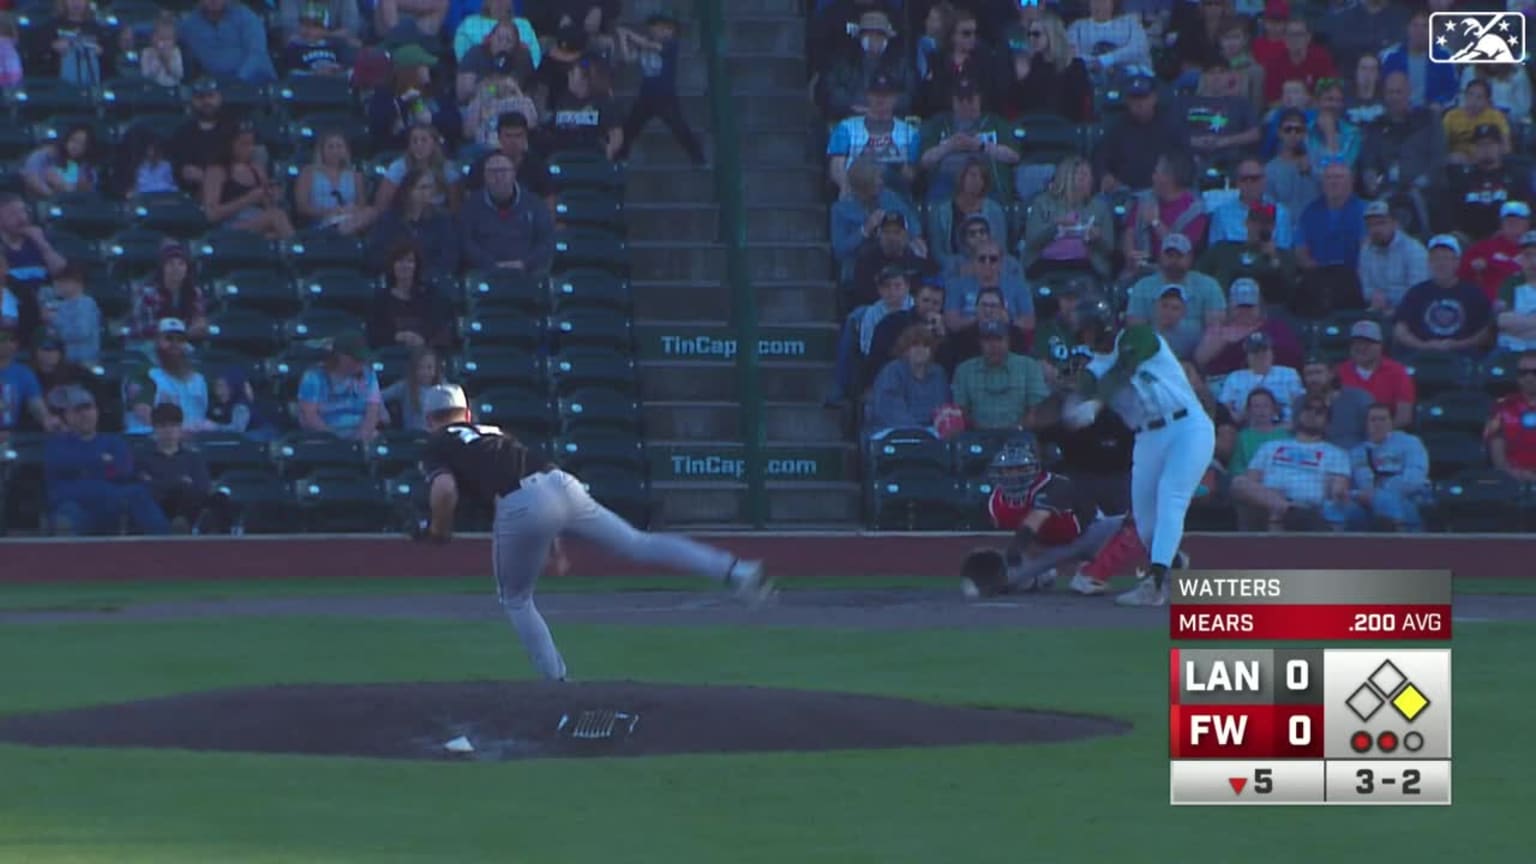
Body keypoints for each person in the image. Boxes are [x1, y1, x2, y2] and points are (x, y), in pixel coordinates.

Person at [412, 383, 771, 681]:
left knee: (516, 599)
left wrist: (439, 531)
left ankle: (557, 683)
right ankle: (736, 570)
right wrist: (553, 542)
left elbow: (444, 491)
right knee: (638, 543)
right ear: (467, 413)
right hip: (561, 484)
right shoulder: (490, 431)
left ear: (430, 420)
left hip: (524, 503)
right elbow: (520, 477)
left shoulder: (436, 443)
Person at [1062, 307, 1215, 606]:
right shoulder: (1094, 368)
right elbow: (1085, 386)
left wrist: (1094, 404)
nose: (1087, 336)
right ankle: (1168, 567)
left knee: (1172, 496)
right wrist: (1073, 404)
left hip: (1188, 427)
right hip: (1148, 437)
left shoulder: (1138, 336)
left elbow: (1122, 370)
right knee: (1145, 520)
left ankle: (1156, 584)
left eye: (1089, 329)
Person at [961, 441, 1133, 598]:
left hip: (1092, 535)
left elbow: (1034, 521)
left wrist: (1015, 550)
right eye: (1009, 470)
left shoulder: (1055, 485)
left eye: (1020, 469)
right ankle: (1042, 577)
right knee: (1004, 583)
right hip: (1049, 548)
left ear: (1034, 469)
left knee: (1137, 524)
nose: (1014, 475)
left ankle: (1093, 575)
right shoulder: (996, 502)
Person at [44, 387, 169, 536]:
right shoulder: (58, 444)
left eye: (88, 408)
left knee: (137, 493)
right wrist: (101, 461)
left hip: (109, 503)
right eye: (78, 410)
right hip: (75, 503)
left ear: (96, 411)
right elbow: (59, 466)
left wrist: (84, 467)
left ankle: (167, 545)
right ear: (68, 416)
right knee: (67, 515)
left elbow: (124, 471)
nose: (85, 414)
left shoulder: (113, 442)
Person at [1231, 395, 1354, 532]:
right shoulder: (1271, 446)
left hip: (1309, 508)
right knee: (1239, 482)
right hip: (1267, 504)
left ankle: (1284, 510)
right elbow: (1251, 480)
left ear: (1327, 421)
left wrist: (1338, 492)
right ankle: (1286, 508)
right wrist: (1274, 498)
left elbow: (1337, 490)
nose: (1312, 414)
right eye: (1308, 408)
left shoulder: (1336, 453)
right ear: (1299, 414)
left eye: (1319, 412)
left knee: (1281, 514)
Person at [615, 11, 704, 166]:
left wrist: (629, 34)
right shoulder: (645, 44)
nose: (655, 30)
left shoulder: (671, 45)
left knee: (680, 128)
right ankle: (621, 158)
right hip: (645, 97)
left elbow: (651, 46)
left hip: (665, 98)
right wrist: (623, 38)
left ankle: (698, 159)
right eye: (654, 27)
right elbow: (627, 58)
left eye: (661, 27)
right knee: (629, 128)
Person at [918, 80, 1020, 207]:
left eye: (970, 99)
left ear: (979, 99)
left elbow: (1014, 156)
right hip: (948, 182)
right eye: (961, 99)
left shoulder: (995, 122)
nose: (965, 104)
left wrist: (981, 146)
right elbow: (925, 160)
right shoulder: (939, 123)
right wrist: (949, 146)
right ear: (953, 101)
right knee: (936, 203)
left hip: (986, 182)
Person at [1393, 234, 1495, 357]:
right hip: (1422, 357)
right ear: (1429, 262)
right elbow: (1400, 330)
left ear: (1457, 262)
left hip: (1463, 358)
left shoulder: (1474, 294)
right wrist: (1425, 346)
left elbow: (1486, 332)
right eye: (1436, 258)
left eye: (1446, 258)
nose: (1441, 264)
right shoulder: (1416, 293)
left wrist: (1457, 345)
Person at [1018, 155, 1114, 279]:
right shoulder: (1042, 203)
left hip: (1086, 265)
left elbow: (1109, 249)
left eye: (1089, 176)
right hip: (1046, 264)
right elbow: (1032, 242)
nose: (1090, 180)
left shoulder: (1100, 207)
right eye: (1083, 175)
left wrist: (1097, 238)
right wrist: (1055, 227)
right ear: (1067, 178)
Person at [460, 152, 555, 275]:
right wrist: (490, 264)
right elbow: (466, 241)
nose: (498, 176)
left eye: (503, 171)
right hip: (483, 273)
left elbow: (546, 241)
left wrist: (525, 263)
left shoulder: (534, 203)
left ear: (513, 174)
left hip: (527, 274)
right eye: (492, 172)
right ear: (484, 176)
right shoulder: (471, 206)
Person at [201, 122, 296, 240]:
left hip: (259, 222)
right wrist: (247, 200)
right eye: (244, 144)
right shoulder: (217, 171)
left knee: (274, 233)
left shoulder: (257, 170)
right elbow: (211, 214)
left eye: (251, 144)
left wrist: (272, 197)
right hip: (230, 225)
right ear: (229, 144)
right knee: (277, 217)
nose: (249, 149)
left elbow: (268, 206)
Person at [951, 320, 1050, 431]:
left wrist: (1018, 429)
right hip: (977, 438)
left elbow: (1037, 410)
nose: (994, 345)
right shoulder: (964, 370)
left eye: (999, 339)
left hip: (1019, 436)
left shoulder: (1029, 366)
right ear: (980, 343)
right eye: (988, 340)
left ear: (1008, 341)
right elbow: (960, 412)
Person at [136, 402, 219, 534]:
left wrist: (160, 482)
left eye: (174, 426)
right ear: (155, 428)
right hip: (158, 509)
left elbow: (203, 487)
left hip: (189, 508)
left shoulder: (193, 458)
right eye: (163, 426)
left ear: (180, 428)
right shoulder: (144, 459)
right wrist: (180, 482)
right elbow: (145, 489)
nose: (169, 431)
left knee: (215, 498)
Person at [366, 167, 461, 279]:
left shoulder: (443, 220)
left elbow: (449, 257)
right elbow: (377, 254)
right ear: (408, 191)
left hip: (431, 283)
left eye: (431, 187)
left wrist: (425, 277)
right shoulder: (389, 220)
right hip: (395, 281)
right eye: (423, 188)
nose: (428, 192)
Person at [1347, 403, 1430, 532]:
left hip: (1408, 496)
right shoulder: (1356, 453)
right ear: (1366, 424)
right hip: (1365, 503)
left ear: (1391, 422)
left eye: (1383, 419)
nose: (1378, 424)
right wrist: (1358, 495)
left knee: (1397, 505)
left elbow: (1415, 477)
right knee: (1352, 513)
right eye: (1373, 420)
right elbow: (1348, 487)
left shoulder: (1410, 443)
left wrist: (1380, 494)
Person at [123, 319, 212, 434]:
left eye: (180, 340)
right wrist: (177, 430)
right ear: (157, 341)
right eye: (169, 338)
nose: (174, 344)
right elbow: (142, 412)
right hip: (153, 440)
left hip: (195, 441)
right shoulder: (147, 374)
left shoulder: (199, 379)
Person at [865, 324, 950, 437]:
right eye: (915, 345)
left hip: (930, 432)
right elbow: (890, 412)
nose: (920, 350)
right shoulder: (892, 371)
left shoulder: (939, 373)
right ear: (905, 349)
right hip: (892, 428)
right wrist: (918, 432)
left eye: (925, 345)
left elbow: (942, 410)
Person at [297, 331, 383, 442]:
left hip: (360, 431)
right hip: (324, 434)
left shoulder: (369, 374)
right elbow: (309, 415)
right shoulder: (313, 377)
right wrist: (334, 440)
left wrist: (362, 436)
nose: (361, 363)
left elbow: (372, 411)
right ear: (341, 356)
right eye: (357, 359)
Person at [1006, 12, 1092, 122]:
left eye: (1036, 34)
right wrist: (1020, 81)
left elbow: (1078, 105)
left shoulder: (1075, 66)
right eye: (1029, 34)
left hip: (1065, 127)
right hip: (1034, 125)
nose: (1032, 38)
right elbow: (1020, 105)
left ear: (1051, 34)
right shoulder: (1030, 66)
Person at [367, 242, 454, 350]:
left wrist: (422, 339)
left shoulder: (431, 297)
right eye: (399, 261)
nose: (405, 266)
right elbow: (374, 335)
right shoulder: (380, 300)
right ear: (392, 265)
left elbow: (438, 329)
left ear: (416, 266)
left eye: (410, 261)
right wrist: (397, 337)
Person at [1335, 320, 1415, 428]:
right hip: (1348, 434)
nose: (1361, 348)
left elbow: (1404, 416)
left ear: (1380, 345)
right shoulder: (1339, 372)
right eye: (1357, 343)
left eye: (1368, 343)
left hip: (1387, 433)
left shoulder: (1398, 372)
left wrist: (1380, 433)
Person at [295, 130, 373, 236]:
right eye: (330, 146)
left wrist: (350, 210)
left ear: (346, 150)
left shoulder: (356, 176)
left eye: (339, 146)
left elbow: (361, 205)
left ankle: (343, 230)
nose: (335, 150)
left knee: (370, 211)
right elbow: (302, 207)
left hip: (350, 218)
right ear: (322, 151)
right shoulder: (309, 173)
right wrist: (329, 212)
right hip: (321, 220)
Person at [179, 0, 277, 85]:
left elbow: (257, 53)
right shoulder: (188, 25)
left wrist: (239, 79)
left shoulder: (246, 17)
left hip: (256, 83)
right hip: (214, 88)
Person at [1357, 199, 1429, 313]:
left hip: (1412, 312)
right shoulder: (1366, 250)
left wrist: (1388, 300)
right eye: (1371, 225)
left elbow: (1418, 293)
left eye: (1381, 223)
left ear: (1395, 223)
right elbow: (1366, 288)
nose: (1376, 230)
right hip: (1378, 311)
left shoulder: (1414, 250)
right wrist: (1373, 297)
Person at [1218, 332, 1305, 423]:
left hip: (1284, 425)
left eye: (1264, 350)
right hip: (1246, 426)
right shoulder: (1235, 378)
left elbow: (1300, 402)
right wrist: (1237, 419)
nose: (1260, 355)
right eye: (1255, 351)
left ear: (1271, 352)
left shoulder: (1289, 373)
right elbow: (1225, 407)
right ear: (1247, 356)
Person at [1293, 357, 1372, 450]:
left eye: (1318, 373)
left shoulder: (1358, 398)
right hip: (1311, 457)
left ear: (1331, 374)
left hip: (1351, 456)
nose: (1313, 379)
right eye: (1308, 374)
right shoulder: (1300, 403)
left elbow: (1372, 434)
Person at [1461, 201, 1529, 302]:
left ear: (1527, 223)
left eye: (1518, 220)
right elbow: (1460, 274)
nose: (1513, 223)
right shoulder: (1482, 248)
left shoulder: (1532, 248)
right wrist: (1473, 267)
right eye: (1508, 220)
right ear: (1501, 222)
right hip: (1491, 306)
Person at [0, 326, 61, 437]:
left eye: (11, 340)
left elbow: (35, 403)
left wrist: (46, 419)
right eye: (3, 338)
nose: (6, 343)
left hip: (11, 435)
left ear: (16, 345)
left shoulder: (23, 373)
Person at [1485, 349, 1536, 482]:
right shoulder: (1500, 408)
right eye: (1523, 373)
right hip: (1512, 482)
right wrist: (1518, 476)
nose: (1529, 378)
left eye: (1535, 372)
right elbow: (1498, 460)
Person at [37, 263, 99, 365]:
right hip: (65, 360)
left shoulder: (85, 304)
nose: (58, 285)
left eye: (63, 282)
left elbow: (82, 332)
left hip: (83, 360)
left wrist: (55, 322)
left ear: (77, 283)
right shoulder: (62, 305)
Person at [381, 345, 444, 433]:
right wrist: (382, 411)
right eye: (421, 368)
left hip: (436, 438)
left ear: (436, 369)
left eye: (429, 367)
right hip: (412, 438)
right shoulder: (404, 386)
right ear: (414, 369)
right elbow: (377, 397)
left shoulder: (445, 389)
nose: (425, 372)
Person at [1497, 231, 1536, 352]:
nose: (1534, 261)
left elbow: (1513, 324)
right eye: (1528, 255)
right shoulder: (1511, 283)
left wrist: (1521, 323)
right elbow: (1502, 321)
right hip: (1512, 349)